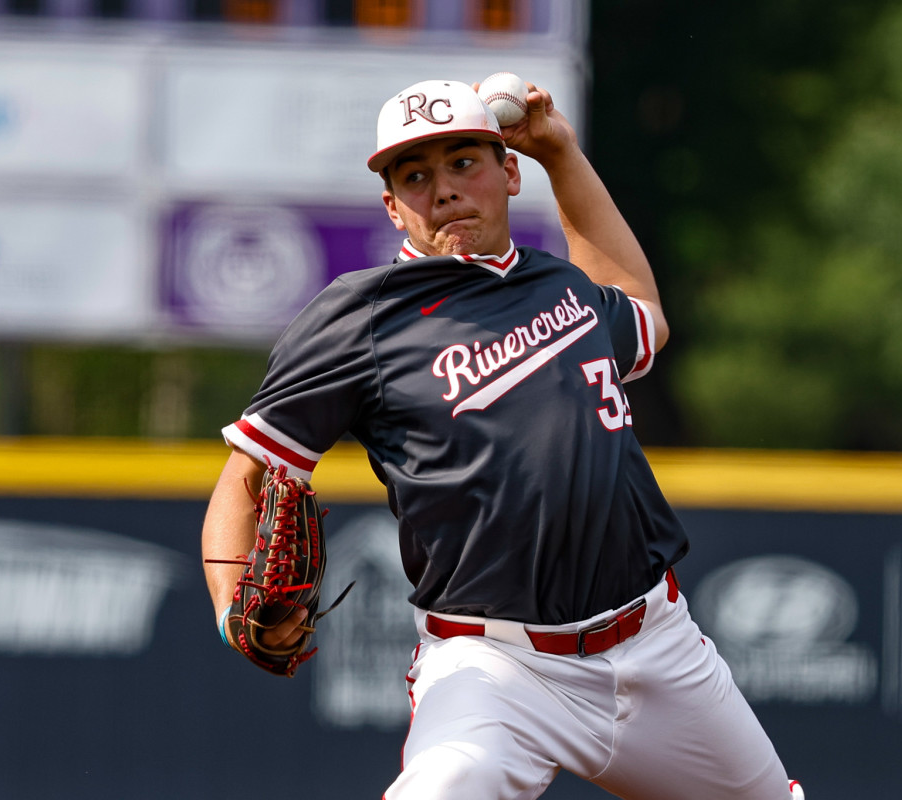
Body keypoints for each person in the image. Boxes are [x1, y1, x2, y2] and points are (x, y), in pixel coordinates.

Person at [202, 78, 800, 800]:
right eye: (416, 176)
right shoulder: (359, 319)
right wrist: (235, 609)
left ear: (508, 172)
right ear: (393, 206)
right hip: (494, 669)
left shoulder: (563, 286)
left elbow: (644, 313)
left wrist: (562, 152)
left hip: (657, 644)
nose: (445, 189)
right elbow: (249, 475)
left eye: (464, 161)